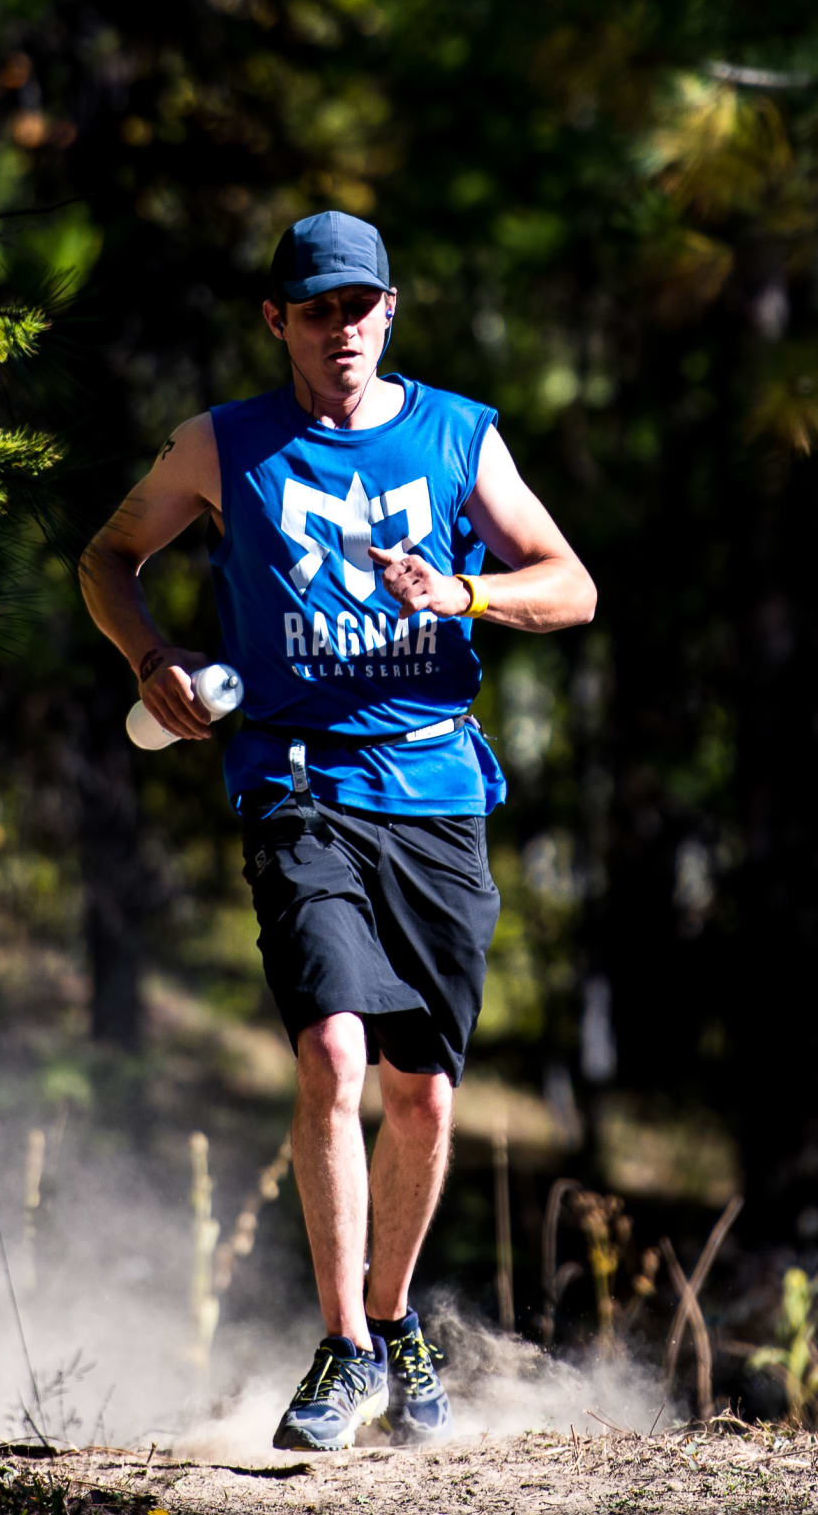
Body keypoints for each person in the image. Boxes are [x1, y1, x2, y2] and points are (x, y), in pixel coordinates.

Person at [78, 210, 597, 1449]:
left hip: (436, 794)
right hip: (296, 782)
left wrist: (465, 589)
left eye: (358, 306)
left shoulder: (459, 435)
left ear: (390, 309)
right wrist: (151, 658)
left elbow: (571, 585)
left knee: (421, 1096)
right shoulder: (223, 445)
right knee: (333, 1052)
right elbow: (106, 558)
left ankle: (395, 1313)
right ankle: (347, 1346)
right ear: (278, 321)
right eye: (315, 309)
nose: (340, 329)